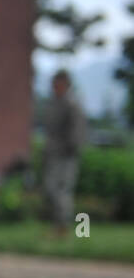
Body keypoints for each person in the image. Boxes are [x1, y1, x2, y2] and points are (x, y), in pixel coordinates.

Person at [40, 69, 87, 237]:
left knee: (62, 191)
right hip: (53, 154)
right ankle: (59, 225)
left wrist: (71, 148)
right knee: (51, 189)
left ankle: (63, 227)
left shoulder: (72, 104)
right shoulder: (53, 103)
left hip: (67, 155)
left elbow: (77, 131)